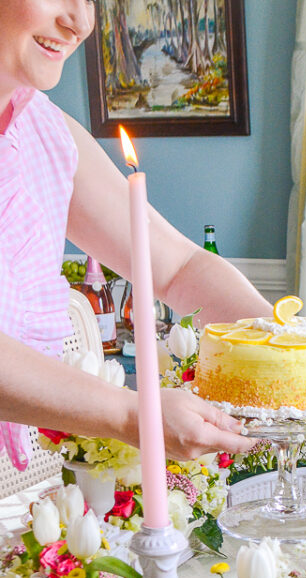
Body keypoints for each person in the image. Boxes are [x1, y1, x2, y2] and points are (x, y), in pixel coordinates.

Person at [0, 0, 274, 466]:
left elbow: (178, 267)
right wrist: (133, 415)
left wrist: (292, 346)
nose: (80, 22)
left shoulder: (44, 133)